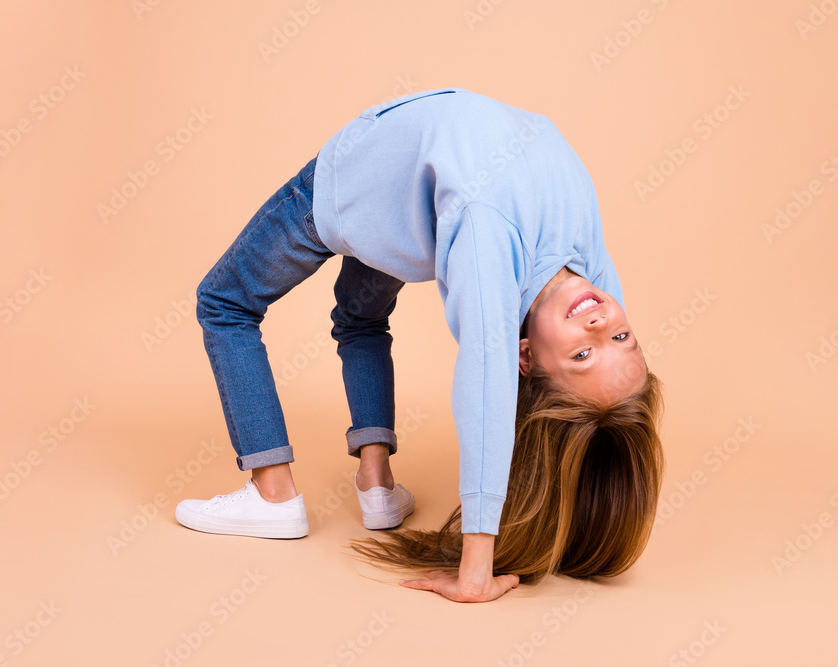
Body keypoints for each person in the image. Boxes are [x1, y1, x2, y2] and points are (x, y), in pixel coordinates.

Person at [175, 88, 665, 603]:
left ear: (523, 357)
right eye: (622, 337)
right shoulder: (591, 270)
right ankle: (377, 483)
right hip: (402, 203)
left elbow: (486, 385)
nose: (598, 322)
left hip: (351, 185)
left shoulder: (487, 232)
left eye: (582, 356)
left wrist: (477, 565)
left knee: (224, 303)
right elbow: (611, 367)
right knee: (361, 320)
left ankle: (272, 493)